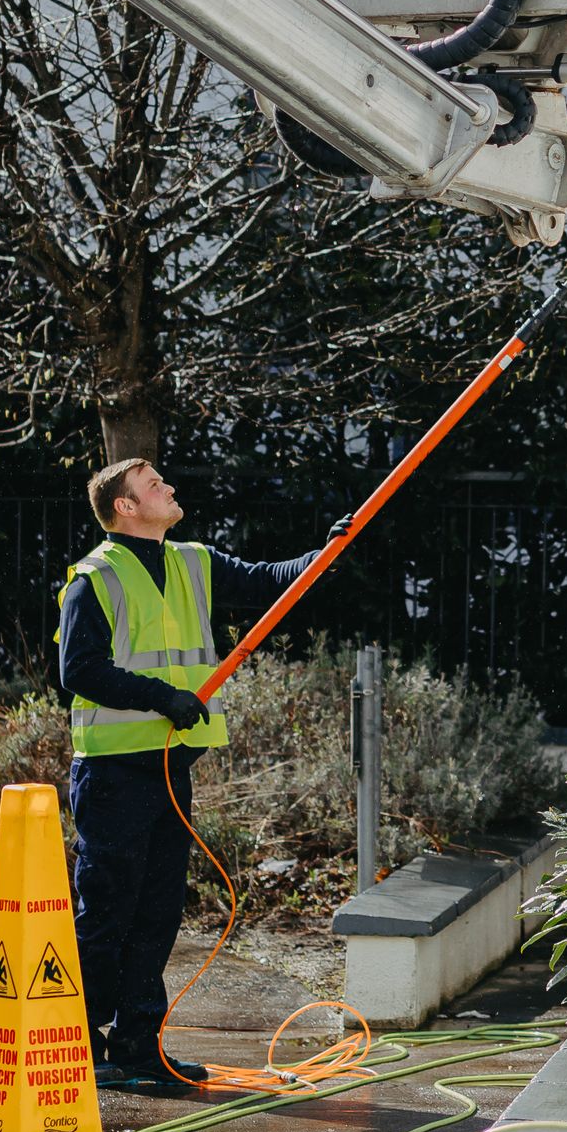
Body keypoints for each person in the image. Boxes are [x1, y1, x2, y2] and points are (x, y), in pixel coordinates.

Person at [57, 455, 338, 1093]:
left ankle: (138, 1043)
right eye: (154, 485)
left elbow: (271, 580)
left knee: (157, 912)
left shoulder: (191, 561)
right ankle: (83, 1045)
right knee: (107, 912)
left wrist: (324, 552)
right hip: (113, 774)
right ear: (125, 507)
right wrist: (165, 697)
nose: (169, 488)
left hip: (169, 770)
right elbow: (81, 670)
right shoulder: (94, 579)